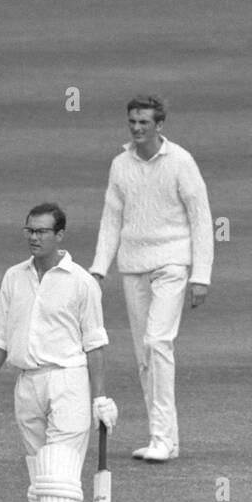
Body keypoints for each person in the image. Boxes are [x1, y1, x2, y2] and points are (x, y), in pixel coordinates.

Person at [0, 203, 118, 502]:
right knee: (42, 484)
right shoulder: (13, 277)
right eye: (29, 230)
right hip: (27, 384)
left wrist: (100, 396)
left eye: (41, 231)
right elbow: (0, 334)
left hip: (69, 381)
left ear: (60, 235)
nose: (34, 237)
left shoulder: (81, 282)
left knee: (58, 475)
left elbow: (95, 342)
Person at [88, 94, 213, 463]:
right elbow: (111, 218)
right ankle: (163, 439)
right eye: (133, 122)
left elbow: (201, 218)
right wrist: (98, 268)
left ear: (160, 125)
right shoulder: (120, 165)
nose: (137, 128)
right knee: (145, 353)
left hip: (173, 262)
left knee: (159, 341)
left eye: (144, 122)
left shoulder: (181, 162)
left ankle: (162, 438)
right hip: (133, 264)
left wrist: (201, 274)